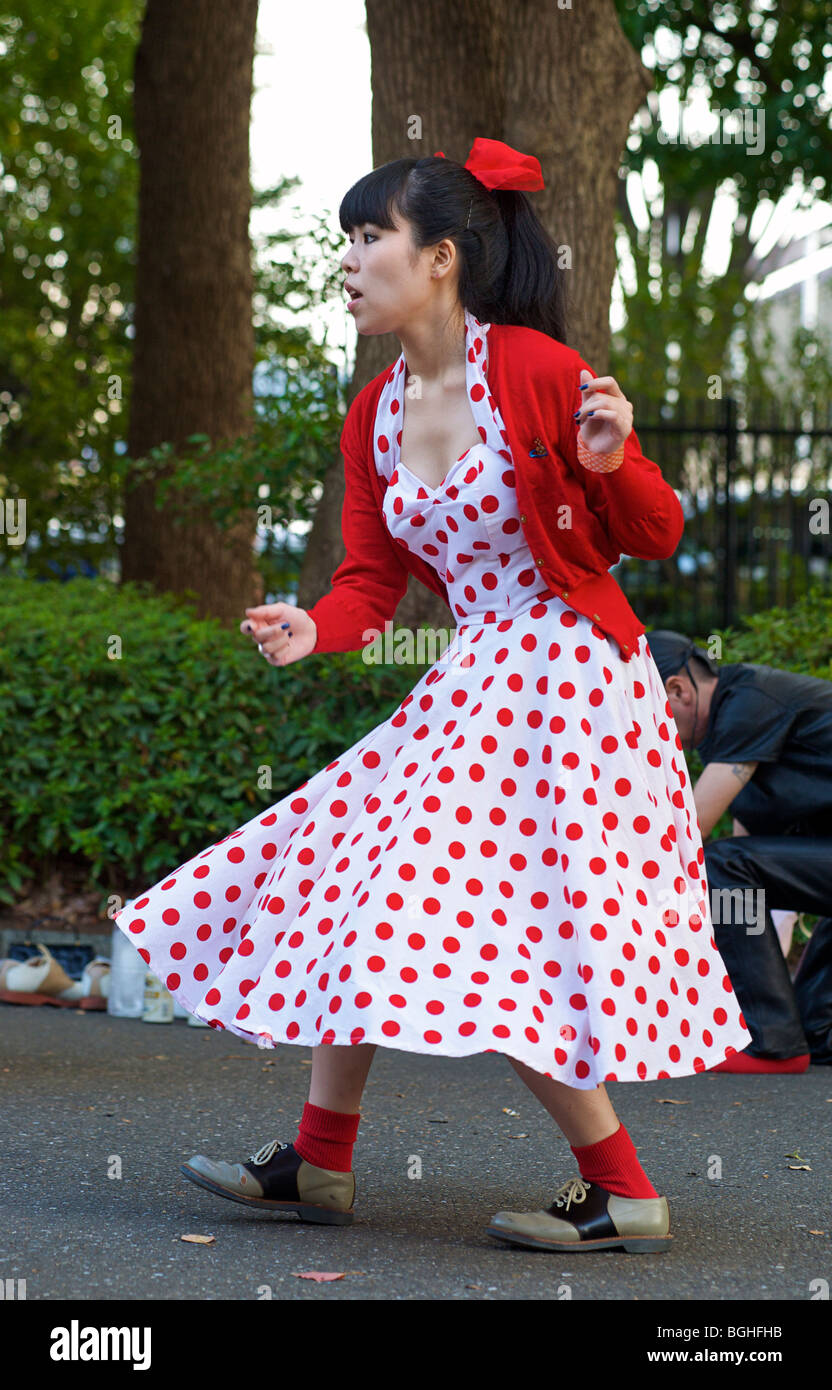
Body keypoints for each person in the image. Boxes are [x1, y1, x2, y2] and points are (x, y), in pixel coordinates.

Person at [114, 138, 752, 1256]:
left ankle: (624, 1189)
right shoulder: (374, 412)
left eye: (371, 238)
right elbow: (371, 580)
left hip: (573, 688)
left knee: (492, 936)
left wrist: (612, 460)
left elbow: (653, 535)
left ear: (442, 258)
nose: (351, 262)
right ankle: (320, 1157)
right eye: (347, 241)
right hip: (479, 683)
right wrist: (316, 626)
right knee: (354, 882)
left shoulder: (543, 374)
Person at [646, 629, 832, 1074]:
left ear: (677, 689)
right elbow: (747, 868)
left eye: (648, 714)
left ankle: (773, 1043)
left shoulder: (750, 697)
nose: (648, 734)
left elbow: (688, 841)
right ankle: (788, 1035)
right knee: (816, 1029)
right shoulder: (733, 737)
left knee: (719, 864)